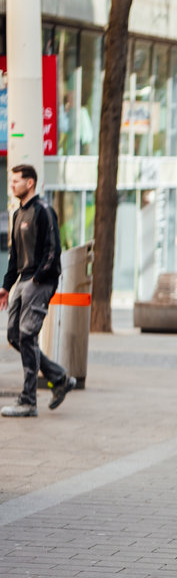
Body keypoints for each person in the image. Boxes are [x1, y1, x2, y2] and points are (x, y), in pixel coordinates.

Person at [0, 165, 76, 418]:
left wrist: (38, 278)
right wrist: (5, 286)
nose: (12, 185)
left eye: (16, 181)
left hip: (38, 281)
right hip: (22, 280)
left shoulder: (43, 211)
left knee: (27, 335)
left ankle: (28, 401)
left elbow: (53, 249)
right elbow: (14, 257)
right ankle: (59, 377)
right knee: (14, 335)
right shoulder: (17, 215)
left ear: (30, 183)